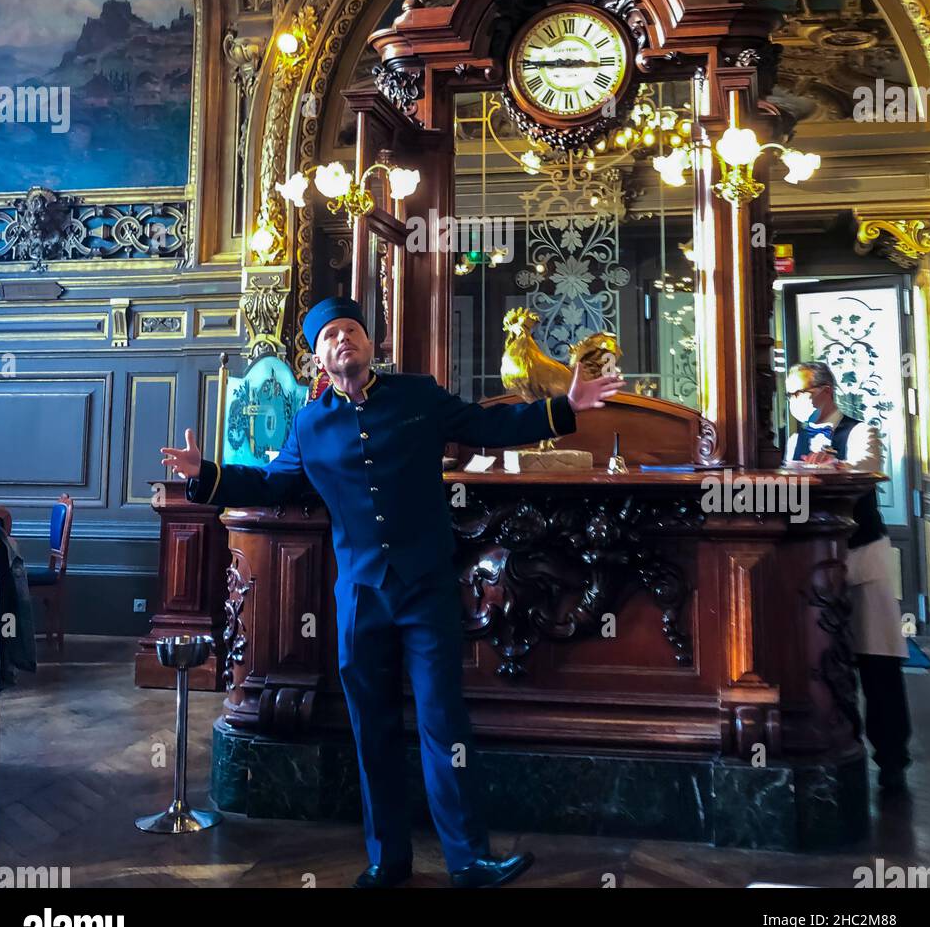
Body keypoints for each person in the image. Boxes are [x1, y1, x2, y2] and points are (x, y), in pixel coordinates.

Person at [161, 296, 622, 887]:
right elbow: (276, 482)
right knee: (370, 726)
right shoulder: (309, 423)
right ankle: (387, 859)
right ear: (318, 359)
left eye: (351, 330)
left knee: (442, 721)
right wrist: (206, 473)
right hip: (360, 598)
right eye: (329, 335)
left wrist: (565, 408)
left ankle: (469, 860)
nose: (342, 340)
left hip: (426, 588)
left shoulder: (416, 394)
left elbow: (489, 424)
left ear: (371, 344)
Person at [784, 360, 911, 792]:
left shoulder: (860, 431)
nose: (795, 403)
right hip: (817, 559)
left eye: (799, 393)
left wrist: (833, 465)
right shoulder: (793, 439)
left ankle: (892, 755)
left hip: (864, 555)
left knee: (878, 657)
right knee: (825, 659)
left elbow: (867, 468)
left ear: (824, 390)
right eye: (790, 396)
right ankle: (840, 743)